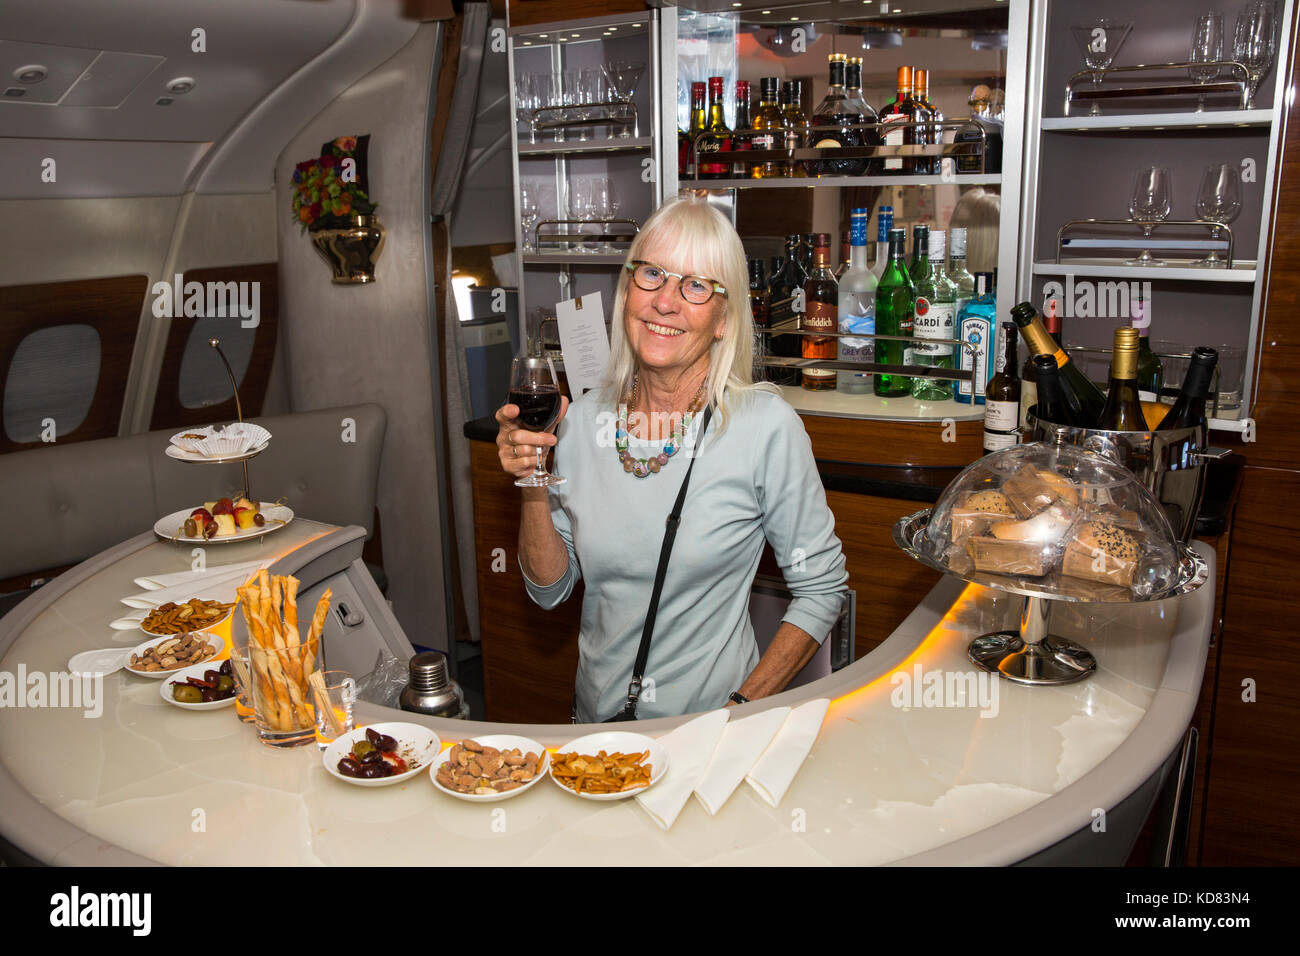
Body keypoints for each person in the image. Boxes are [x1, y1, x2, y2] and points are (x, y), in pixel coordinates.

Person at [495, 197, 848, 722]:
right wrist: (534, 480)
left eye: (696, 285)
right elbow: (549, 591)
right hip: (598, 735)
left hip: (710, 737)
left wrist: (740, 711)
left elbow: (821, 590)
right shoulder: (579, 421)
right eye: (653, 274)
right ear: (627, 290)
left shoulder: (763, 428)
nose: (666, 302)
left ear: (724, 319)